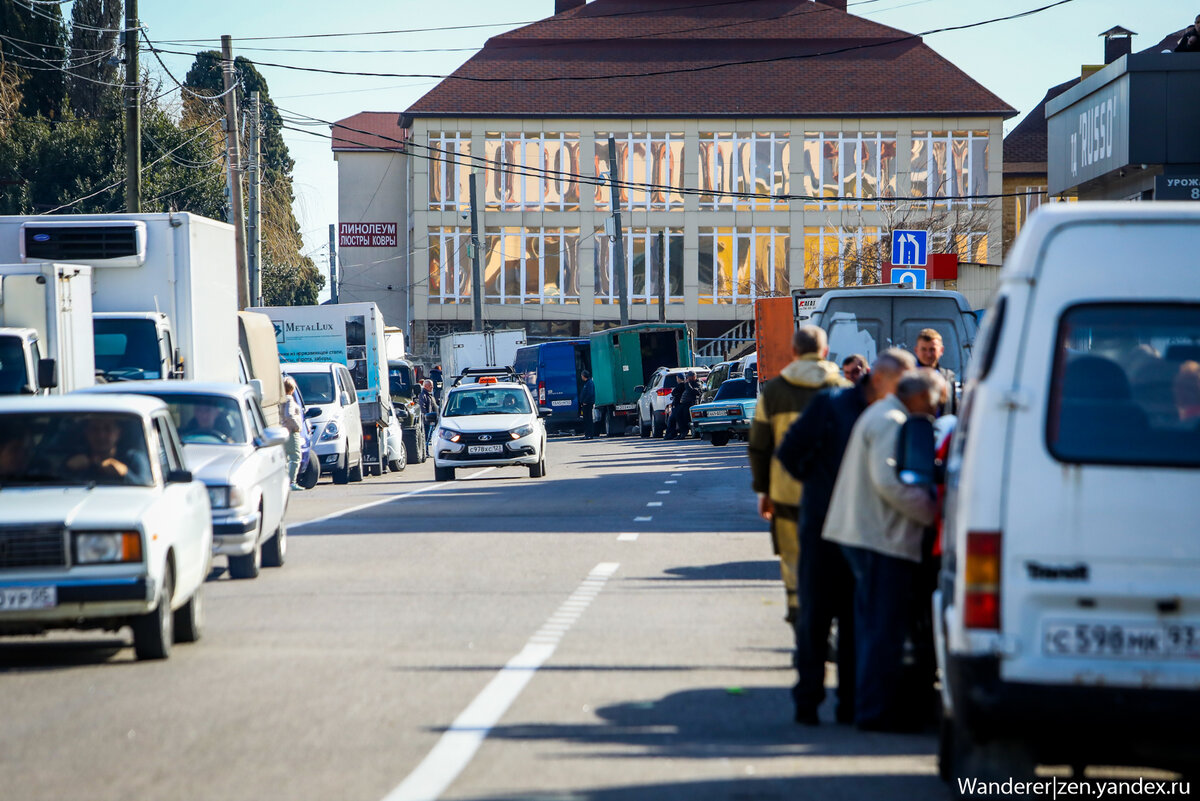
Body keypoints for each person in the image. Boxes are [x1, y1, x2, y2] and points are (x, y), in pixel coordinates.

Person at [776, 348, 916, 726]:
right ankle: (808, 701)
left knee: (857, 620)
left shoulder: (885, 414)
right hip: (822, 530)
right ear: (883, 379)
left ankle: (850, 703)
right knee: (816, 619)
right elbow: (789, 451)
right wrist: (819, 487)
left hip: (862, 530)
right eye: (903, 383)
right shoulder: (832, 404)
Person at [821, 370, 944, 732]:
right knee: (883, 630)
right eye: (934, 400)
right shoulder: (893, 420)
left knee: (872, 627)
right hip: (879, 539)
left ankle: (868, 705)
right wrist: (931, 513)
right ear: (919, 396)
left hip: (865, 535)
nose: (937, 408)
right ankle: (876, 712)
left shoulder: (882, 413)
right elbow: (889, 482)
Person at [748, 326, 849, 623]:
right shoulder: (842, 390)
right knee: (832, 559)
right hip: (835, 494)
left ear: (793, 352)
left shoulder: (775, 392)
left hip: (786, 492)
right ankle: (829, 622)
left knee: (793, 559)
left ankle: (800, 615)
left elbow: (759, 447)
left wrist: (764, 490)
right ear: (825, 352)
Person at [65, 416, 151, 485]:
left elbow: (145, 486)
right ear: (87, 433)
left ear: (118, 433)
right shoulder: (75, 460)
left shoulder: (133, 458)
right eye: (95, 429)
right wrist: (68, 469)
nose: (101, 435)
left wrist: (124, 473)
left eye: (107, 429)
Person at [914, 328, 957, 416]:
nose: (928, 354)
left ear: (941, 350)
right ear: (916, 350)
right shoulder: (909, 376)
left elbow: (954, 409)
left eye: (932, 349)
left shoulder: (948, 377)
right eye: (924, 349)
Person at [281, 377, 305, 492]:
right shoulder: (289, 400)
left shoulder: (281, 400)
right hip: (292, 431)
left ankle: (284, 481)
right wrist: (297, 426)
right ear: (292, 388)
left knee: (285, 458)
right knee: (296, 457)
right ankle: (292, 482)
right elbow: (289, 415)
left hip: (284, 431)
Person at [664, 371, 702, 440]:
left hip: (692, 403)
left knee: (681, 414)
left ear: (694, 377)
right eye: (688, 377)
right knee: (677, 414)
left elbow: (694, 391)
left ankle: (684, 431)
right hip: (684, 403)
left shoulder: (697, 383)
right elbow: (675, 392)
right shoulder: (685, 384)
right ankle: (682, 431)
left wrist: (687, 384)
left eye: (690, 377)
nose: (688, 378)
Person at [419, 379, 438, 444]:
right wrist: (426, 416)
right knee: (426, 437)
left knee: (430, 438)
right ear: (425, 386)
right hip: (427, 421)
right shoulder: (423, 395)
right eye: (430, 386)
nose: (432, 387)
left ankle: (427, 451)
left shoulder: (430, 395)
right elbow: (422, 407)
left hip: (432, 420)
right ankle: (426, 451)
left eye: (432, 386)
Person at [579, 370, 596, 439]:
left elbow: (590, 394)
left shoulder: (589, 383)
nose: (581, 377)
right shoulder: (586, 383)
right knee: (586, 419)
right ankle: (587, 434)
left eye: (582, 375)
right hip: (585, 404)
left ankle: (590, 434)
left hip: (588, 404)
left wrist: (585, 401)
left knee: (588, 419)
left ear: (584, 376)